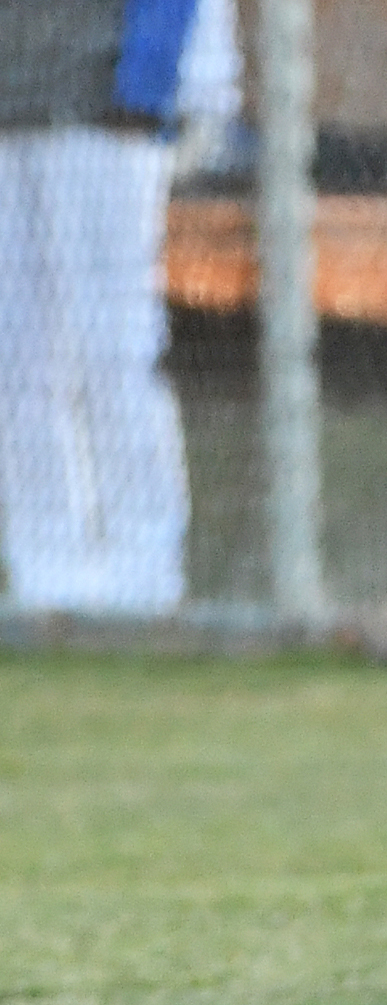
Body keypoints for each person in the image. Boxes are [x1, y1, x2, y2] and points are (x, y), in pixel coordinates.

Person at [0, 0, 241, 614]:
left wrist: (155, 82)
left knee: (112, 346)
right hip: (11, 108)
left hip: (105, 107)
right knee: (17, 357)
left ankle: (144, 580)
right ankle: (45, 577)